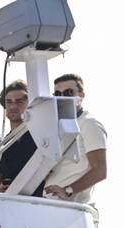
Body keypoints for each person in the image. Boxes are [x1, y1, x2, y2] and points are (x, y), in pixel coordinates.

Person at [44, 73, 108, 203]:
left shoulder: (89, 123)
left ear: (81, 95)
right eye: (57, 94)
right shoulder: (58, 125)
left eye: (68, 93)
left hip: (72, 208)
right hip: (50, 204)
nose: (62, 98)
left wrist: (68, 190)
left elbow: (100, 170)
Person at [0, 80, 42, 196]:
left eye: (19, 102)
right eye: (8, 102)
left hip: (43, 206)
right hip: (12, 207)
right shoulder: (1, 146)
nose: (13, 106)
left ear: (30, 104)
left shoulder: (43, 138)